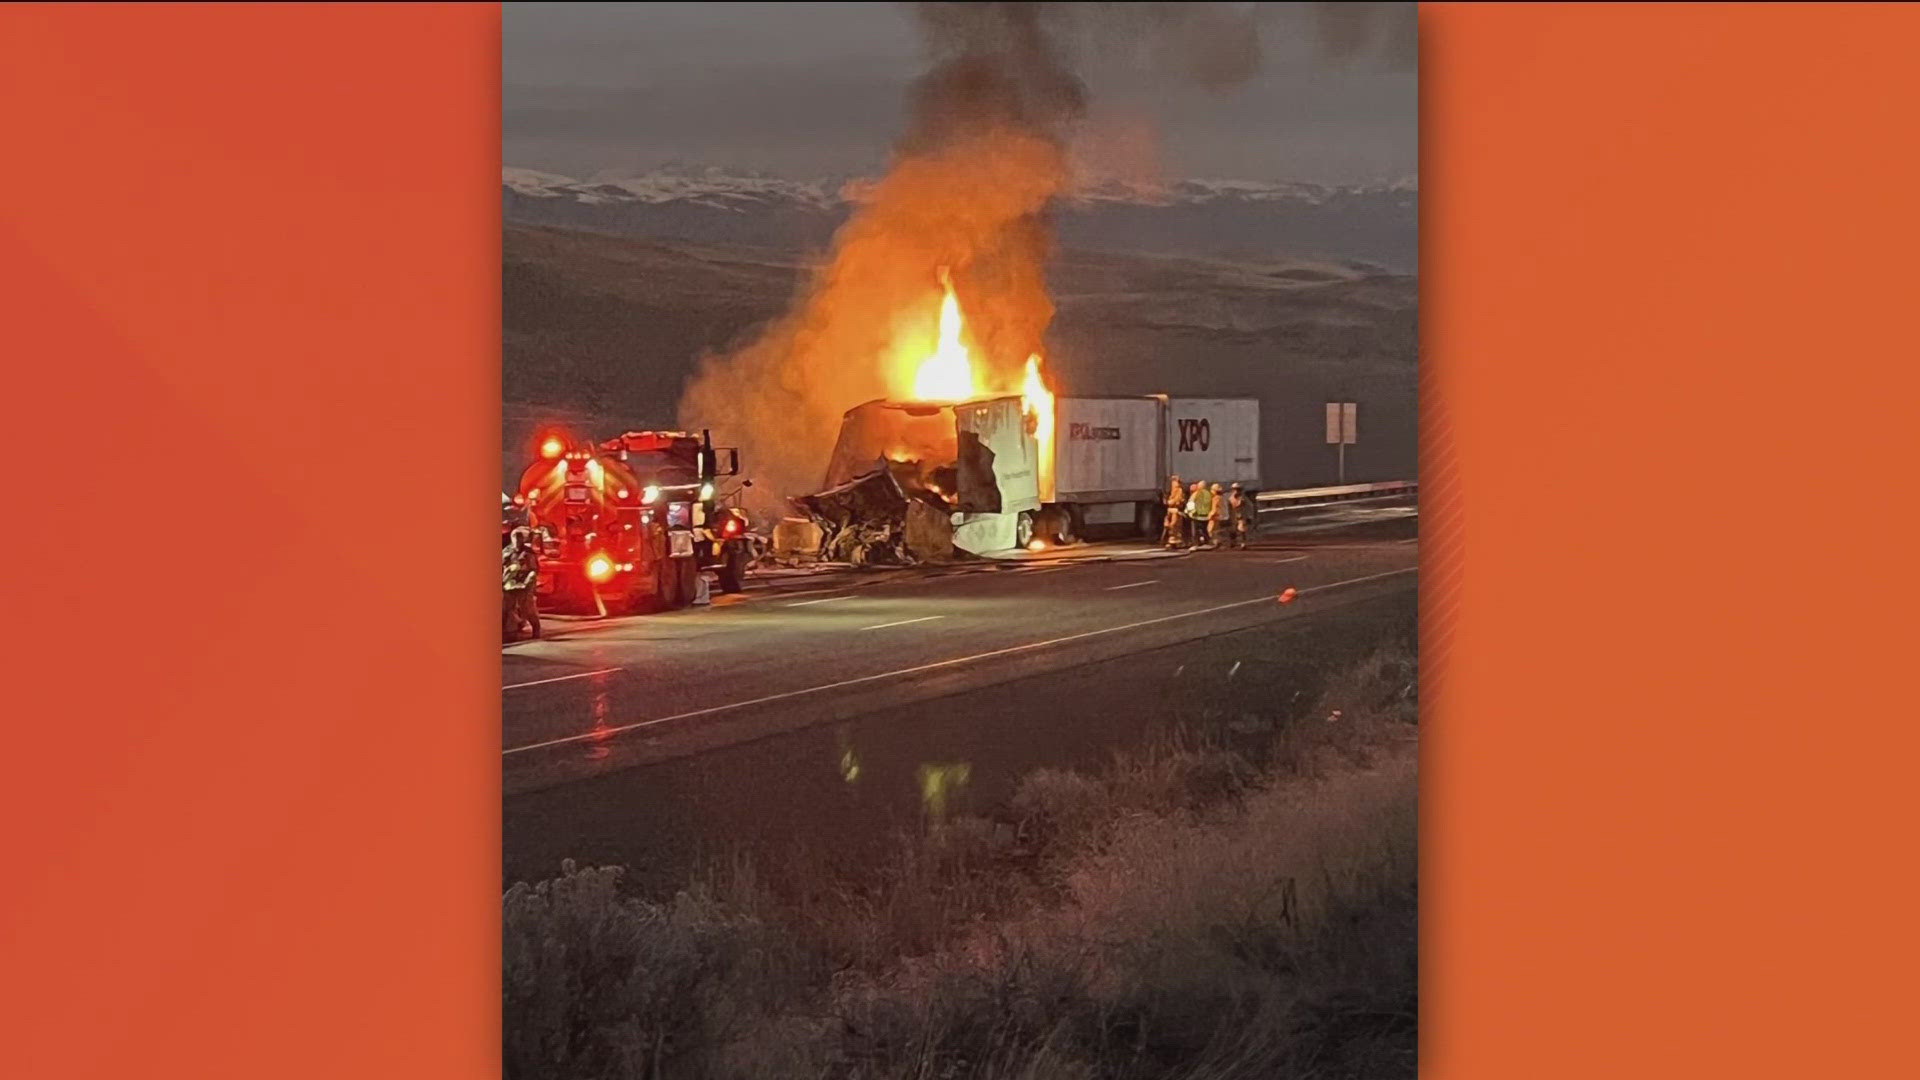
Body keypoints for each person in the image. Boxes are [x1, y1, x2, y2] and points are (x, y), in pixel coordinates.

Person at [502, 526, 541, 641]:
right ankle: (508, 632)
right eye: (514, 537)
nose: (516, 540)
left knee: (528, 610)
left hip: (524, 584)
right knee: (506, 609)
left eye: (519, 538)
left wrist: (527, 583)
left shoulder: (528, 553)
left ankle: (536, 630)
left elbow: (534, 570)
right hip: (508, 584)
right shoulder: (507, 551)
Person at [1186, 479, 1214, 548]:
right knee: (1204, 529)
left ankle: (1196, 543)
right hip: (1206, 515)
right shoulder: (1209, 494)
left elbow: (1191, 503)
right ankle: (1207, 541)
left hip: (1197, 515)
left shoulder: (1196, 494)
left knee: (1196, 530)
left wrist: (1190, 512)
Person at [1162, 475, 1188, 549]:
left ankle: (1175, 541)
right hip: (1171, 511)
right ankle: (1172, 540)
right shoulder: (1172, 490)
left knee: (1174, 526)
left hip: (1175, 511)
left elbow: (1178, 501)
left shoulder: (1179, 490)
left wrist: (1169, 502)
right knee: (1169, 525)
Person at [1227, 482, 1251, 549]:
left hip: (1242, 516)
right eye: (1235, 489)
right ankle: (1233, 542)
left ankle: (1243, 543)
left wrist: (1249, 516)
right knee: (1232, 530)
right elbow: (1229, 508)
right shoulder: (1230, 499)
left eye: (1238, 489)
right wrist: (1229, 516)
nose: (1236, 491)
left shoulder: (1243, 498)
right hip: (1233, 516)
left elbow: (1249, 507)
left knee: (1242, 529)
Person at [1207, 483, 1228, 548]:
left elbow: (1214, 508)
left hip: (1216, 516)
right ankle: (1219, 542)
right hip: (1223, 515)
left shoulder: (1215, 498)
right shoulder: (1223, 497)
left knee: (1211, 530)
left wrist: (1210, 515)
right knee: (1218, 530)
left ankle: (1216, 542)